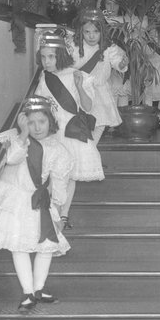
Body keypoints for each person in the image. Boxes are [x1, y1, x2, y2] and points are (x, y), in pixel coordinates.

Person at [0, 96, 72, 312]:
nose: (37, 127)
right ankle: (28, 292)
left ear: (51, 122)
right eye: (31, 122)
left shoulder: (57, 149)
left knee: (46, 246)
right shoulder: (16, 140)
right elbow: (12, 158)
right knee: (18, 246)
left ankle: (39, 288)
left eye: (42, 122)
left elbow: (59, 181)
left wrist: (58, 209)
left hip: (40, 201)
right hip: (16, 200)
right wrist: (23, 134)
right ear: (23, 122)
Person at [34, 30, 104, 226]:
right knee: (52, 175)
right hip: (51, 133)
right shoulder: (44, 77)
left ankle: (63, 215)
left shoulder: (75, 75)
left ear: (61, 55)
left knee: (70, 174)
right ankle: (52, 213)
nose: (46, 61)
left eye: (51, 57)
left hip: (70, 131)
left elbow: (88, 107)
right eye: (43, 57)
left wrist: (80, 87)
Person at [71, 8, 128, 142]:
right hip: (80, 91)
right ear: (81, 31)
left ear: (102, 31)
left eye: (96, 32)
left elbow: (117, 62)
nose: (91, 36)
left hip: (100, 91)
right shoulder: (75, 47)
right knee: (82, 123)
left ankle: (92, 149)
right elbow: (69, 66)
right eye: (87, 32)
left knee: (100, 123)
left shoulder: (108, 48)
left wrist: (122, 63)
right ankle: (87, 151)